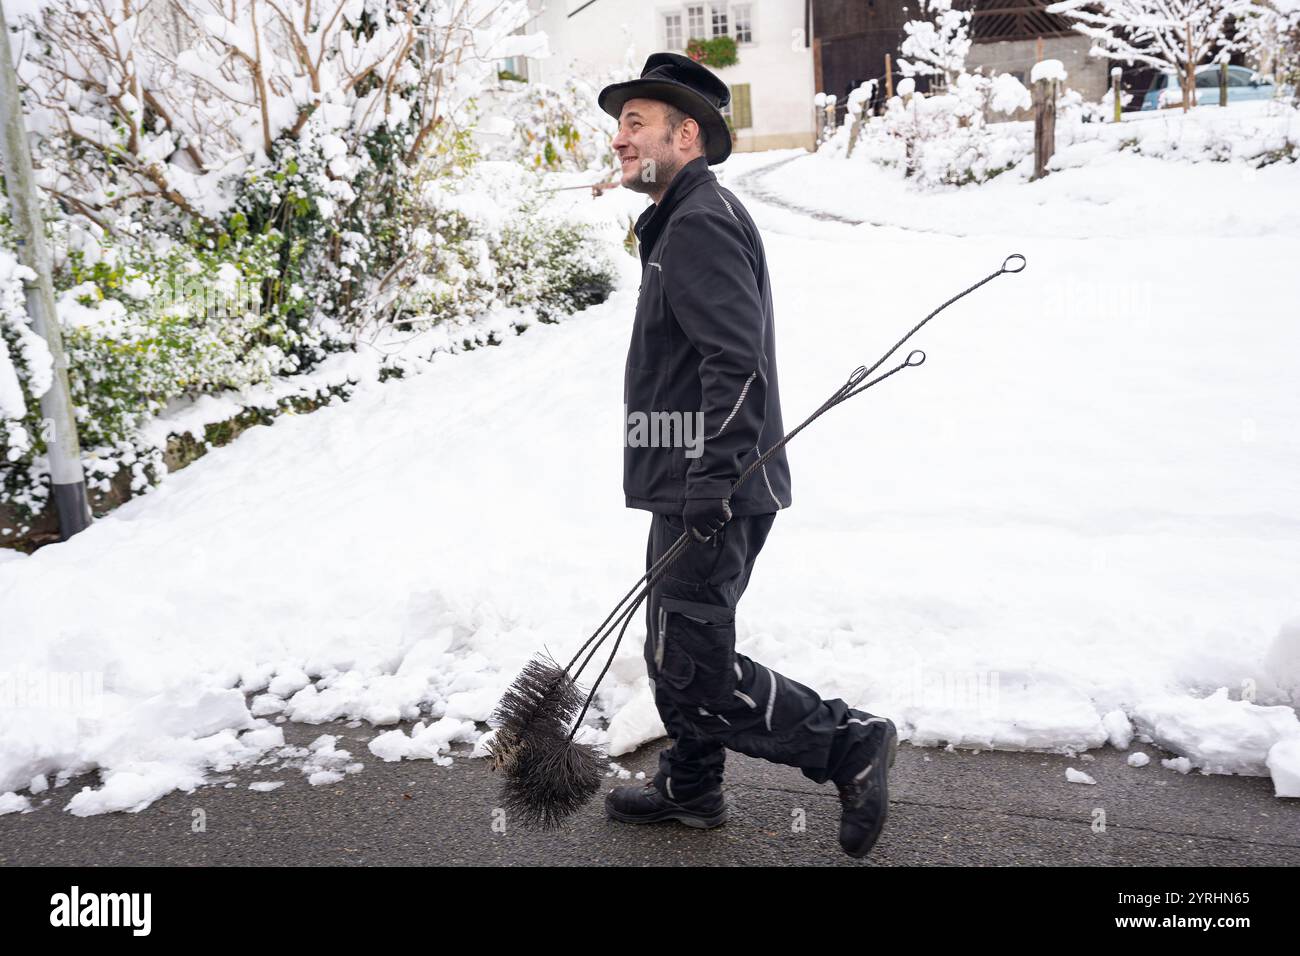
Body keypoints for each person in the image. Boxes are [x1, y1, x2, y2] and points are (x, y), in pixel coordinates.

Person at [598, 52, 898, 859]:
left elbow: (737, 366)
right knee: (676, 644)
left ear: (683, 133)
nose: (618, 140)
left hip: (714, 483)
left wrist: (712, 479)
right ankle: (691, 791)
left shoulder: (697, 223)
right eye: (618, 126)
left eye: (634, 124)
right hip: (691, 477)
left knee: (693, 665)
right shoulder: (680, 218)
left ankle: (848, 744)